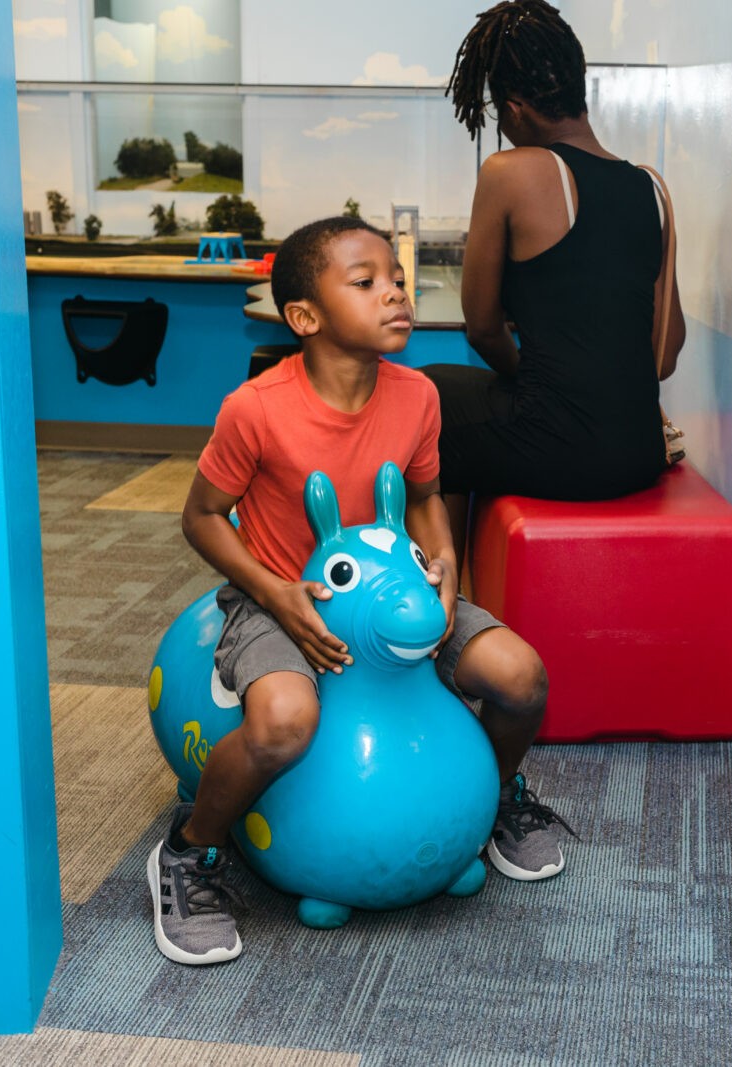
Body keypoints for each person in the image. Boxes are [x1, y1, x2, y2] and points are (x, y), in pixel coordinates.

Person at [151, 216, 571, 966]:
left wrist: (444, 573)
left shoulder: (418, 396)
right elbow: (202, 519)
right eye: (367, 282)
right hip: (283, 598)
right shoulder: (257, 408)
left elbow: (426, 499)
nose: (395, 294)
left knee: (521, 676)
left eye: (398, 278)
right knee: (284, 721)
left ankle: (494, 796)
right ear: (305, 318)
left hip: (402, 599)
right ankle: (190, 852)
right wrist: (278, 593)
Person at [422, 0, 686, 552]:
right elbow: (664, 354)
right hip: (639, 452)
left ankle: (435, 594)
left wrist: (534, 377)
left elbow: (483, 328)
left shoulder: (510, 172)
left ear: (515, 108)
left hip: (562, 451)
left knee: (424, 394)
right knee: (463, 414)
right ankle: (459, 589)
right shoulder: (651, 187)